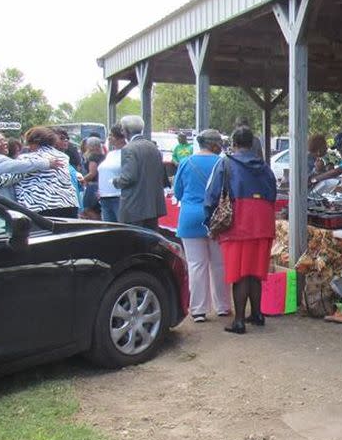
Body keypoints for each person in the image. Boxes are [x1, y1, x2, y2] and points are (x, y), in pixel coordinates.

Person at [205, 125, 278, 334]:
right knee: (256, 271)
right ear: (252, 144)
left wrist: (209, 219)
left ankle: (238, 321)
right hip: (263, 221)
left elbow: (212, 195)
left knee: (239, 273)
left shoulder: (225, 163)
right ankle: (257, 314)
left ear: (234, 144)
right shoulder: (265, 167)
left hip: (239, 220)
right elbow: (272, 194)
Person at [173, 129, 230, 323]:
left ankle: (198, 310)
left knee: (196, 265)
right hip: (216, 217)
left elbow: (178, 192)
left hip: (189, 217)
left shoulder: (185, 162)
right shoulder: (222, 163)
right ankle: (222, 306)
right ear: (215, 145)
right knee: (219, 264)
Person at [0, 130, 60, 203]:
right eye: (0, 141)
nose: (5, 143)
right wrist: (47, 163)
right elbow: (22, 166)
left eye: (4, 140)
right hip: (0, 209)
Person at [113, 114, 167, 229]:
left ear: (126, 130)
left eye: (122, 129)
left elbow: (128, 177)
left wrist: (115, 181)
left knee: (133, 243)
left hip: (134, 208)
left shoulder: (129, 149)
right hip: (152, 207)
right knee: (150, 242)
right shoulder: (153, 147)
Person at [15, 127, 79, 217]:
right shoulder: (63, 157)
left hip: (40, 206)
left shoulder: (25, 159)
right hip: (69, 203)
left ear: (34, 142)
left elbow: (12, 178)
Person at [97, 125, 126, 222]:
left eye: (111, 135)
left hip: (118, 197)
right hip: (104, 197)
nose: (109, 138)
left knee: (122, 227)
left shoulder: (127, 152)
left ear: (121, 138)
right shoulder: (110, 154)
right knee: (108, 229)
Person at [80, 136, 105, 219]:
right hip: (101, 185)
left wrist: (82, 179)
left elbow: (92, 173)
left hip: (92, 186)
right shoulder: (103, 157)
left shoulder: (92, 157)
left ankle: (98, 226)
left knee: (88, 209)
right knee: (98, 209)